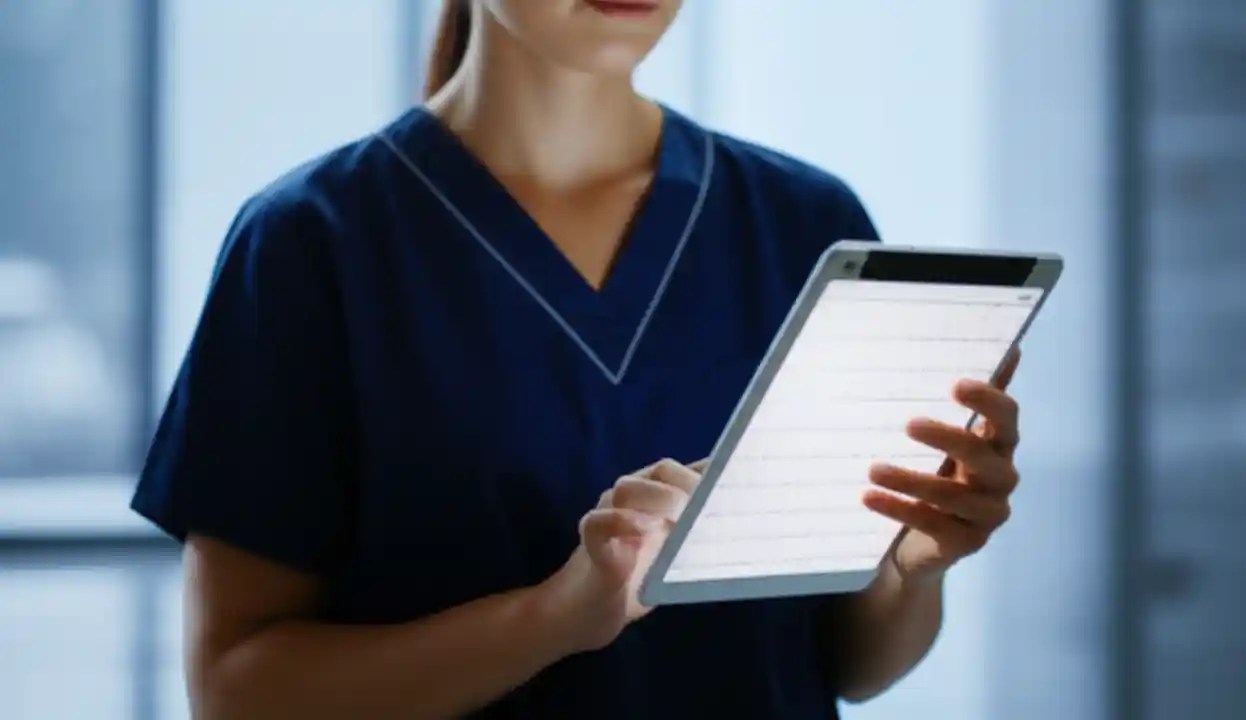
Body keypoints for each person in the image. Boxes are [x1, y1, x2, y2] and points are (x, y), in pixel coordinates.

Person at [132, 1, 1027, 718]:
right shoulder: (310, 244)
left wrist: (911, 564)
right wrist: (553, 619)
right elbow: (238, 693)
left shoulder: (803, 223)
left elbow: (852, 669)